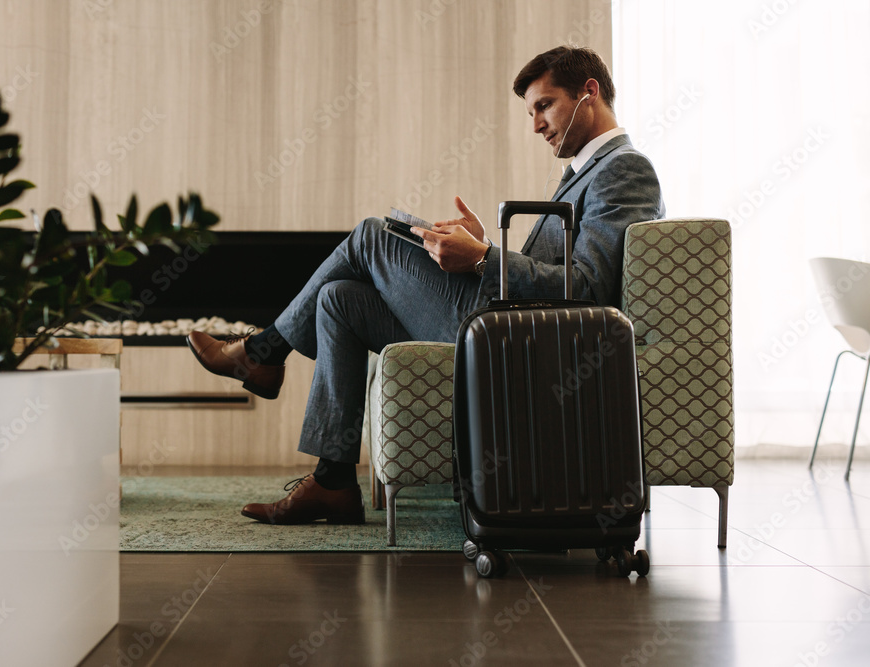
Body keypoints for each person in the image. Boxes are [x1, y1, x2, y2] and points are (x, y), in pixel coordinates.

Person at [186, 45, 665, 525]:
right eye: (532, 111)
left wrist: (482, 259)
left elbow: (588, 291)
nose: (536, 124)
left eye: (544, 105)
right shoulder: (582, 173)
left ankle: (263, 353)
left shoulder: (624, 169)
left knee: (370, 237)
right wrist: (482, 247)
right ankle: (332, 480)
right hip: (507, 325)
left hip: (516, 343)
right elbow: (558, 273)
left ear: (589, 93)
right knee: (338, 300)